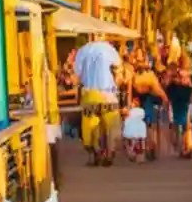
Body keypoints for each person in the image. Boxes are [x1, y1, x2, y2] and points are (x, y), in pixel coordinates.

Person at [72, 35, 123, 166]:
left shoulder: (82, 51)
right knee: (111, 126)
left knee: (91, 125)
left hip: (90, 94)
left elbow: (77, 74)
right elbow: (118, 70)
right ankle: (110, 153)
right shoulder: (110, 49)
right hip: (108, 95)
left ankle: (95, 152)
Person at [130, 50, 168, 159]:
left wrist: (164, 98)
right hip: (138, 101)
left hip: (148, 100)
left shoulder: (149, 75)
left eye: (141, 60)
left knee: (149, 124)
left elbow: (157, 89)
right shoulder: (133, 74)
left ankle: (150, 146)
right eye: (137, 60)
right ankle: (143, 147)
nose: (139, 63)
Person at [164, 52, 192, 159]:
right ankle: (189, 147)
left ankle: (182, 147)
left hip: (177, 98)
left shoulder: (177, 74)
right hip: (185, 98)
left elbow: (168, 87)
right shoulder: (187, 74)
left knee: (178, 125)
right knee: (187, 125)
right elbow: (190, 87)